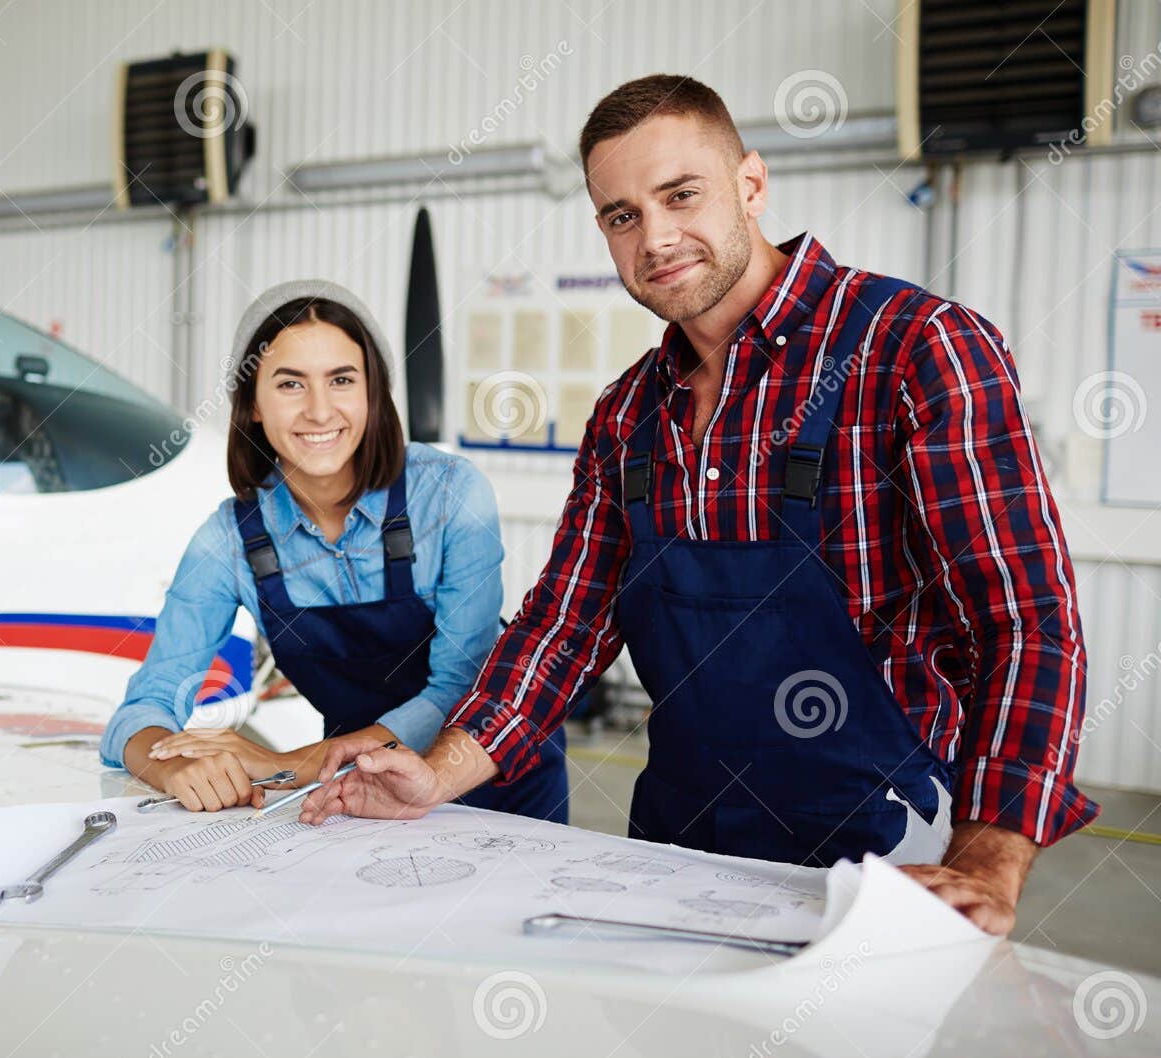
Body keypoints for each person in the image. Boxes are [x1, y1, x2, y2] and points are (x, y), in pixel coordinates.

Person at [298, 75, 1098, 935]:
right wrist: (437, 772)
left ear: (751, 185)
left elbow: (1024, 619)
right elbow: (564, 627)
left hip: (889, 851)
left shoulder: (915, 350)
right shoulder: (627, 414)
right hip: (677, 852)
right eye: (622, 215)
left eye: (680, 195)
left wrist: (987, 858)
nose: (655, 237)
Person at [100, 280, 568, 820]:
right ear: (253, 404)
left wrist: (291, 764)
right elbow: (143, 708)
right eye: (290, 384)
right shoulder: (228, 540)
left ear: (372, 393)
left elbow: (459, 688)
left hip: (495, 782)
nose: (319, 411)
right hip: (355, 795)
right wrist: (172, 766)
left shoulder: (450, 494)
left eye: (341, 380)